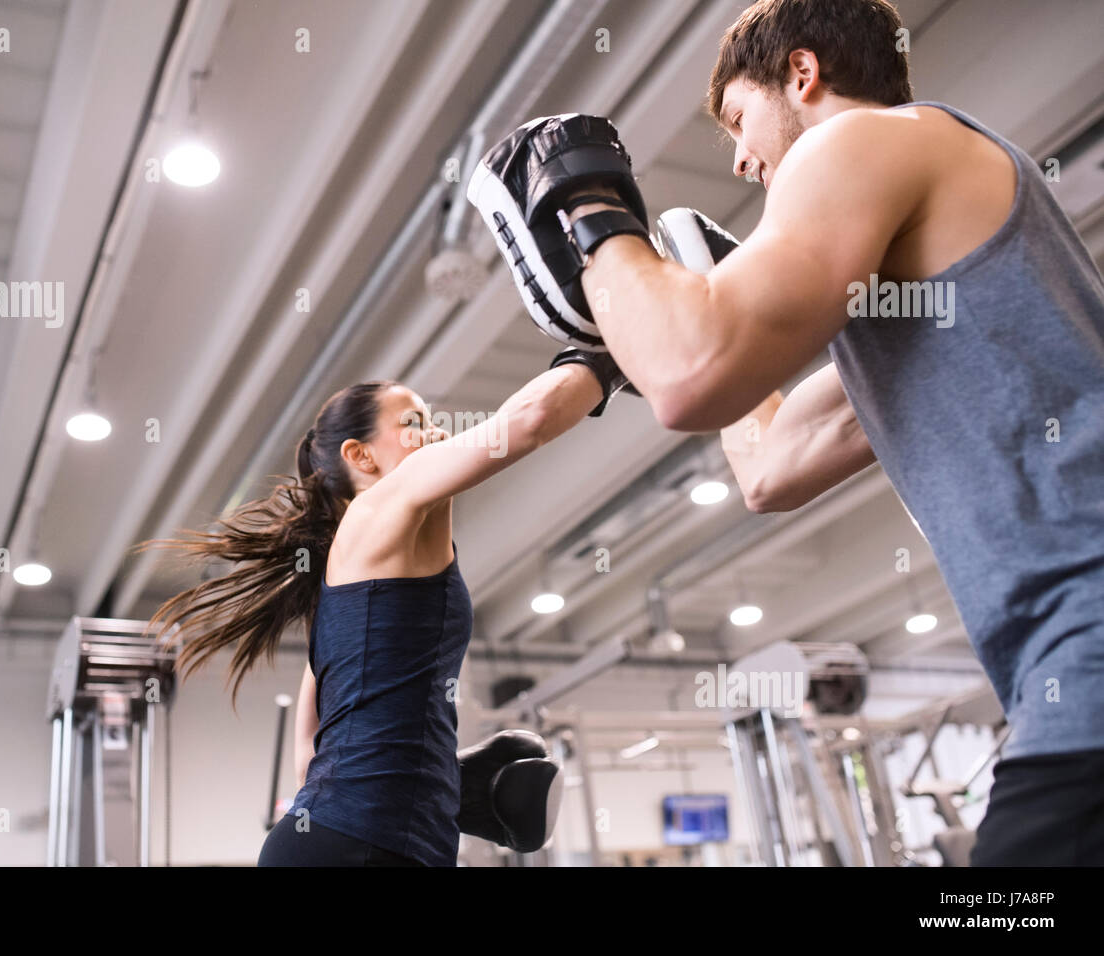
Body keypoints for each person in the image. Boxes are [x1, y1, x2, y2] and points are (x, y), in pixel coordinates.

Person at [468, 0, 1104, 865]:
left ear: (801, 75)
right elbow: (769, 466)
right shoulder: (916, 320)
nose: (737, 154)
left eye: (739, 118)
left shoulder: (868, 139)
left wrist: (587, 209)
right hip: (1058, 669)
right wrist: (686, 299)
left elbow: (691, 373)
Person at [135, 351, 632, 866]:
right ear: (362, 456)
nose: (437, 432)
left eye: (434, 419)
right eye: (415, 423)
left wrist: (445, 784)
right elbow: (526, 422)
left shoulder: (341, 592)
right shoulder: (379, 507)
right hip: (361, 847)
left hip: (344, 842)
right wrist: (611, 356)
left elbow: (312, 763)